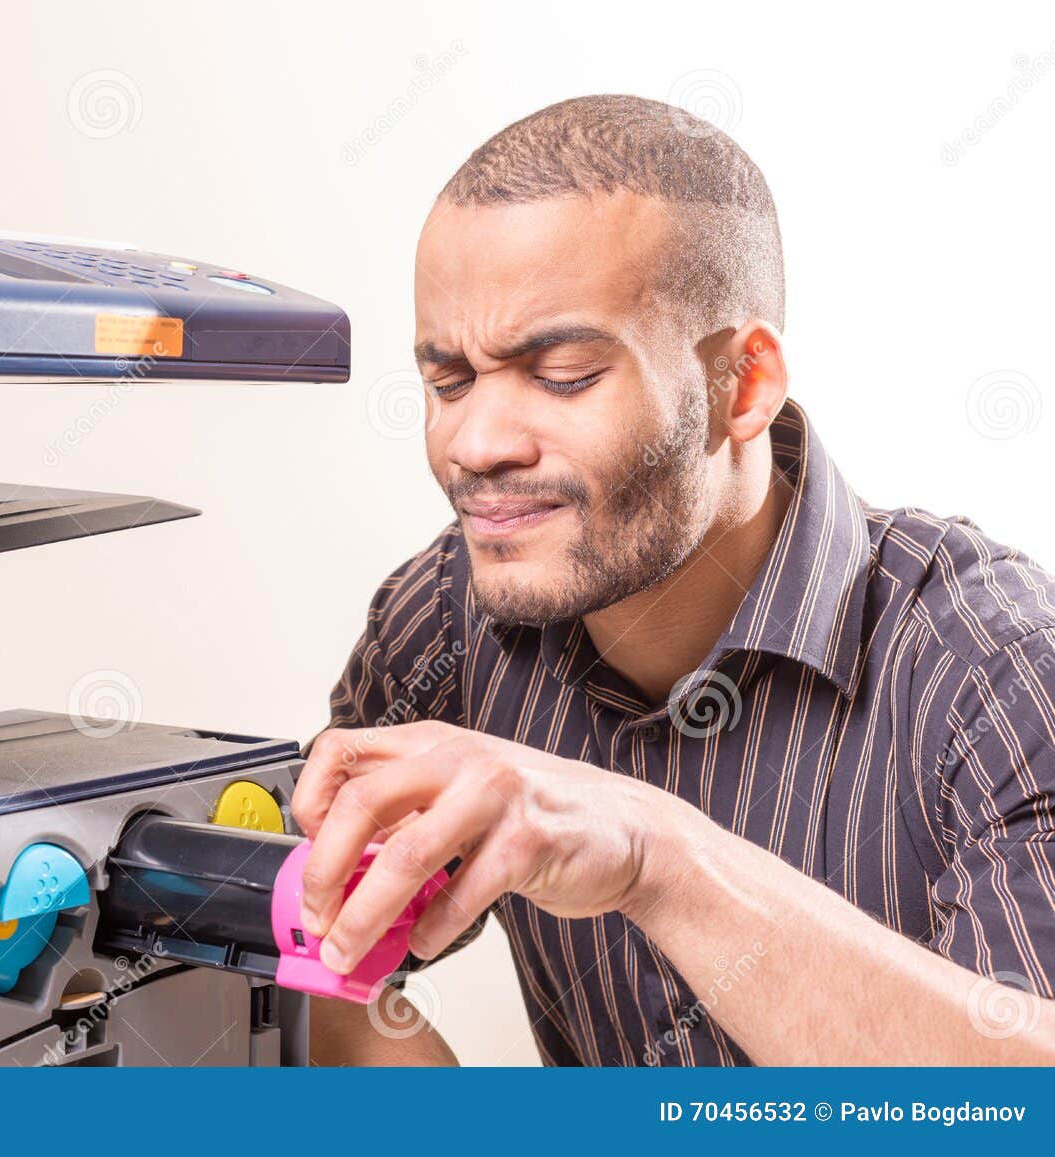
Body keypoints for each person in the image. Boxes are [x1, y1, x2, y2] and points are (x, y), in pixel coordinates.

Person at [297, 94, 1055, 1065]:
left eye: (563, 373)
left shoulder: (998, 669)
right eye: (447, 382)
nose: (471, 444)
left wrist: (654, 856)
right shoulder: (440, 621)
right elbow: (305, 959)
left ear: (741, 386)